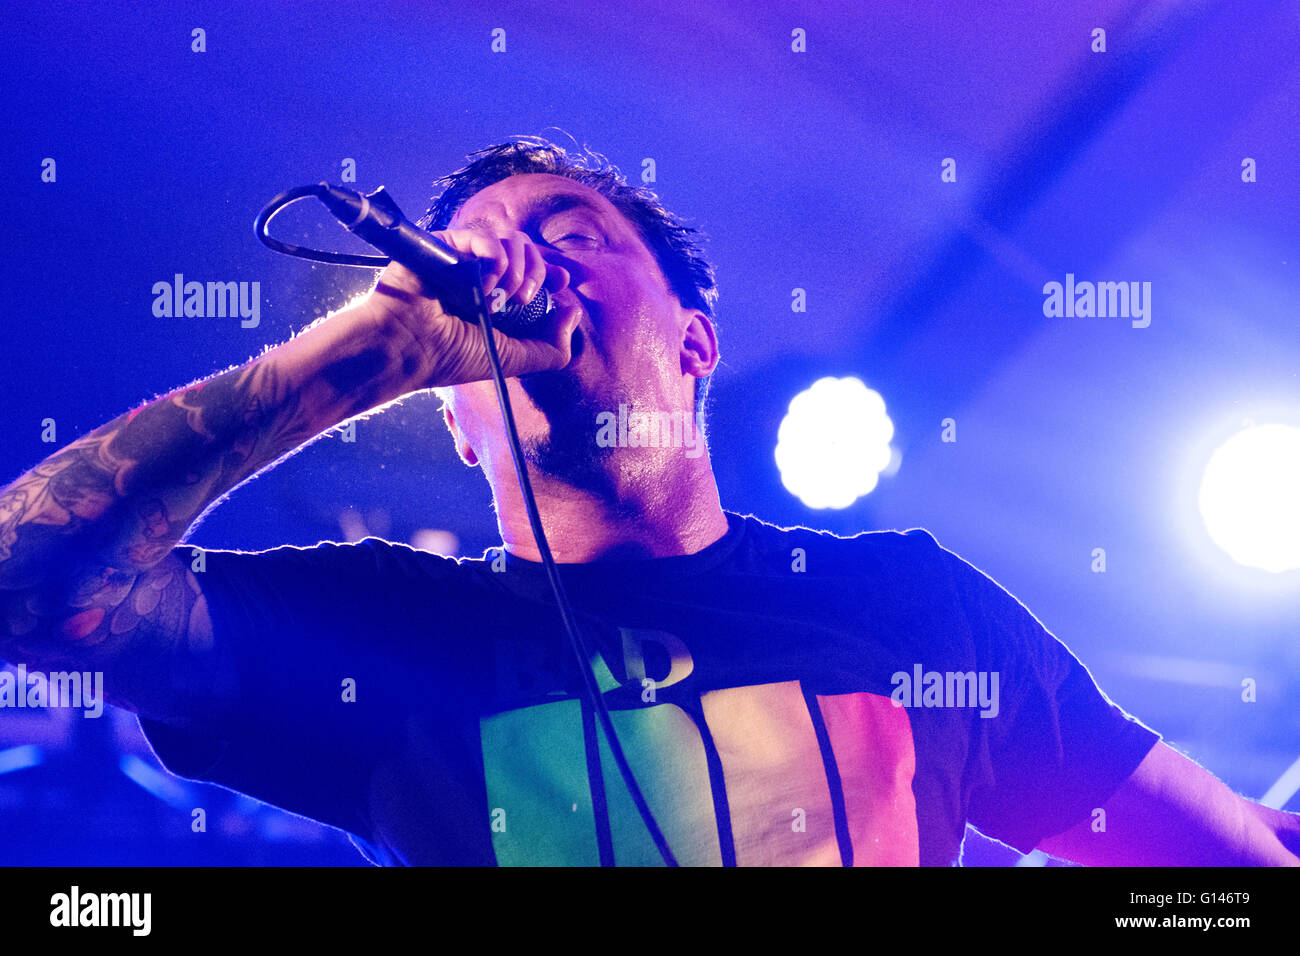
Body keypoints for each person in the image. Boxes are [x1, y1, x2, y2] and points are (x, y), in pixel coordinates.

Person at [1, 137, 1296, 866]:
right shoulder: (381, 639)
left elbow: (1225, 872)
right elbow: (26, 581)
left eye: (570, 234)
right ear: (452, 423)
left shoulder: (904, 606)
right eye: (484, 248)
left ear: (694, 344)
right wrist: (362, 354)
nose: (514, 265)